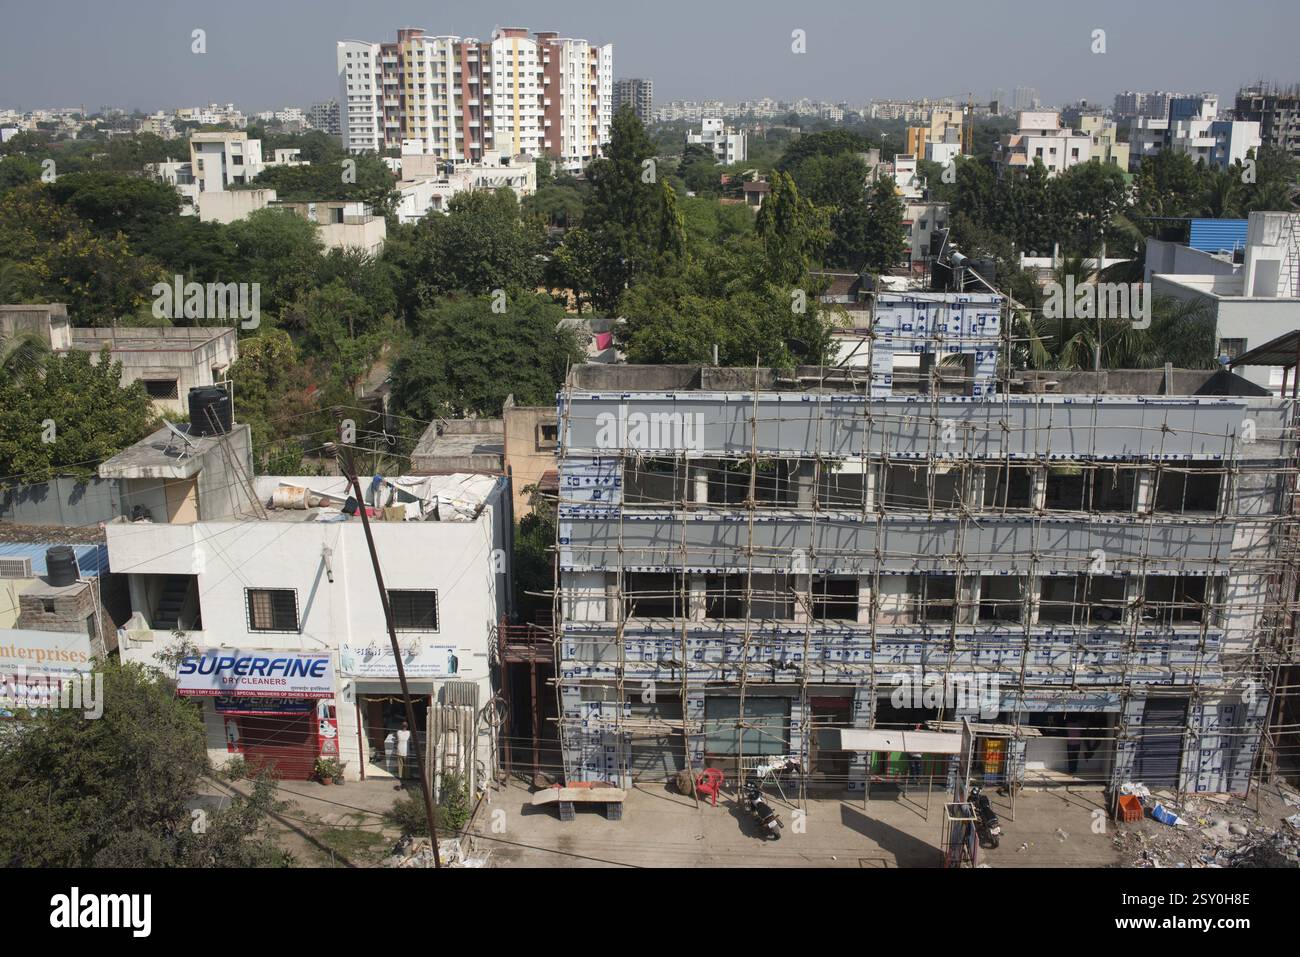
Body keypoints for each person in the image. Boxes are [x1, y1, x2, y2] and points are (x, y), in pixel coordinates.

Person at [395, 721, 411, 787]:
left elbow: (396, 739)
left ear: (401, 726)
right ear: (407, 726)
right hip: (406, 751)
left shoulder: (398, 732)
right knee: (407, 765)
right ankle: (407, 777)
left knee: (400, 765)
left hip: (399, 750)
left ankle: (400, 776)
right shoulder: (409, 732)